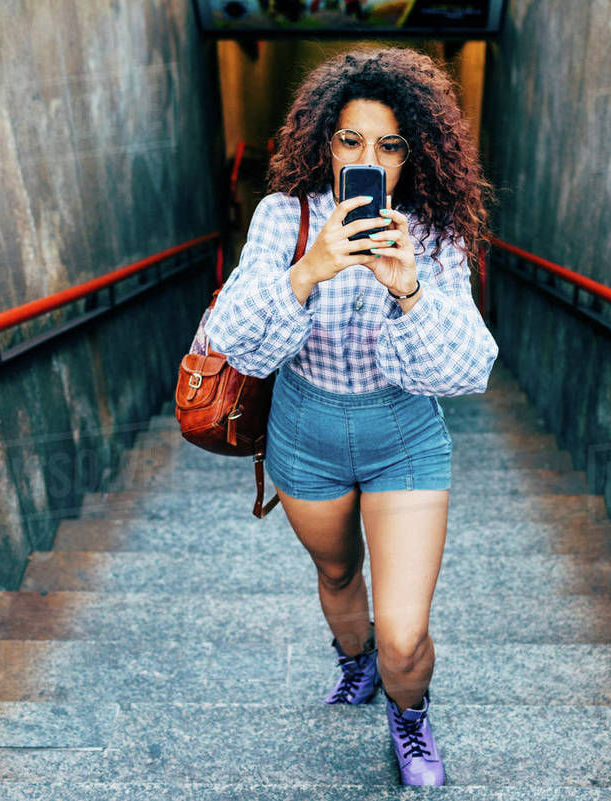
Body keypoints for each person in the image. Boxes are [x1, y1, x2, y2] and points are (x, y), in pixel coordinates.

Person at [205, 46, 498, 787]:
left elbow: (470, 369)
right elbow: (231, 338)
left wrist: (410, 292)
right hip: (305, 435)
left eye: (390, 145)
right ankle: (354, 663)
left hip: (403, 438)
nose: (369, 158)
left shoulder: (431, 236)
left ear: (414, 157)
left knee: (405, 635)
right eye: (351, 140)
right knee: (338, 573)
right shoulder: (285, 219)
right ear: (323, 144)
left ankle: (409, 709)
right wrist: (310, 270)